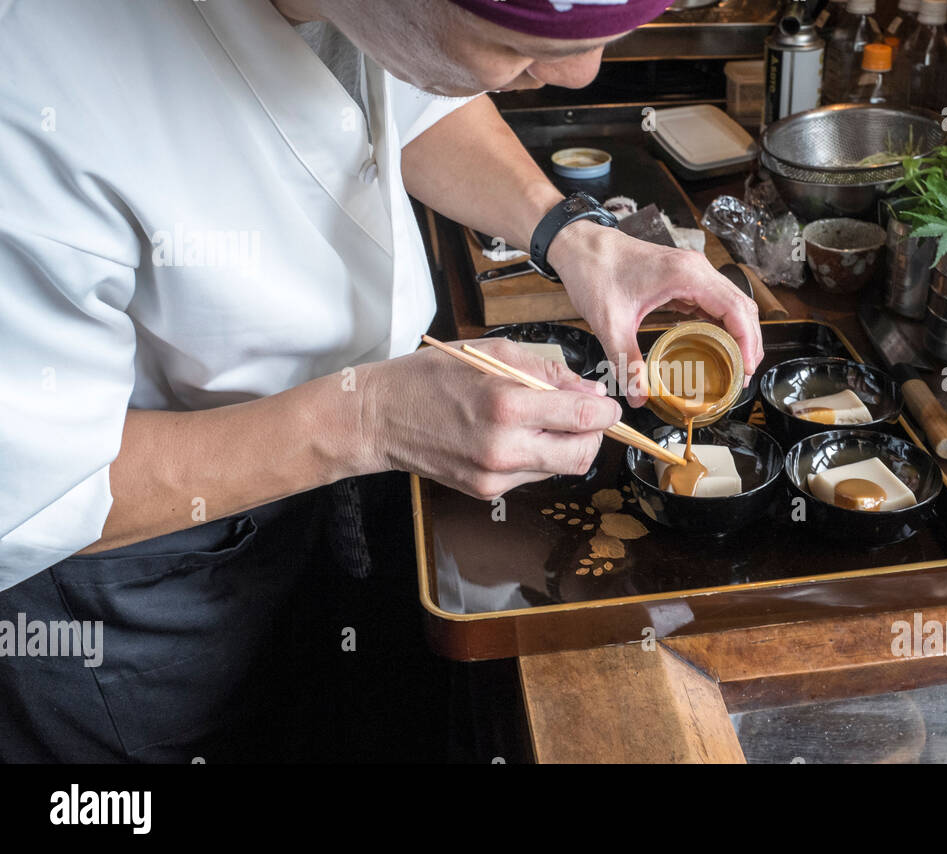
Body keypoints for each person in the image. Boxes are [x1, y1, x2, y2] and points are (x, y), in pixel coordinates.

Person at [0, 0, 764, 761]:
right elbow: (38, 488)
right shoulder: (29, 89)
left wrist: (571, 235)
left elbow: (410, 94)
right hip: (144, 587)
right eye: (511, 43)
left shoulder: (385, 17)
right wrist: (366, 422)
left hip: (324, 506)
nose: (579, 75)